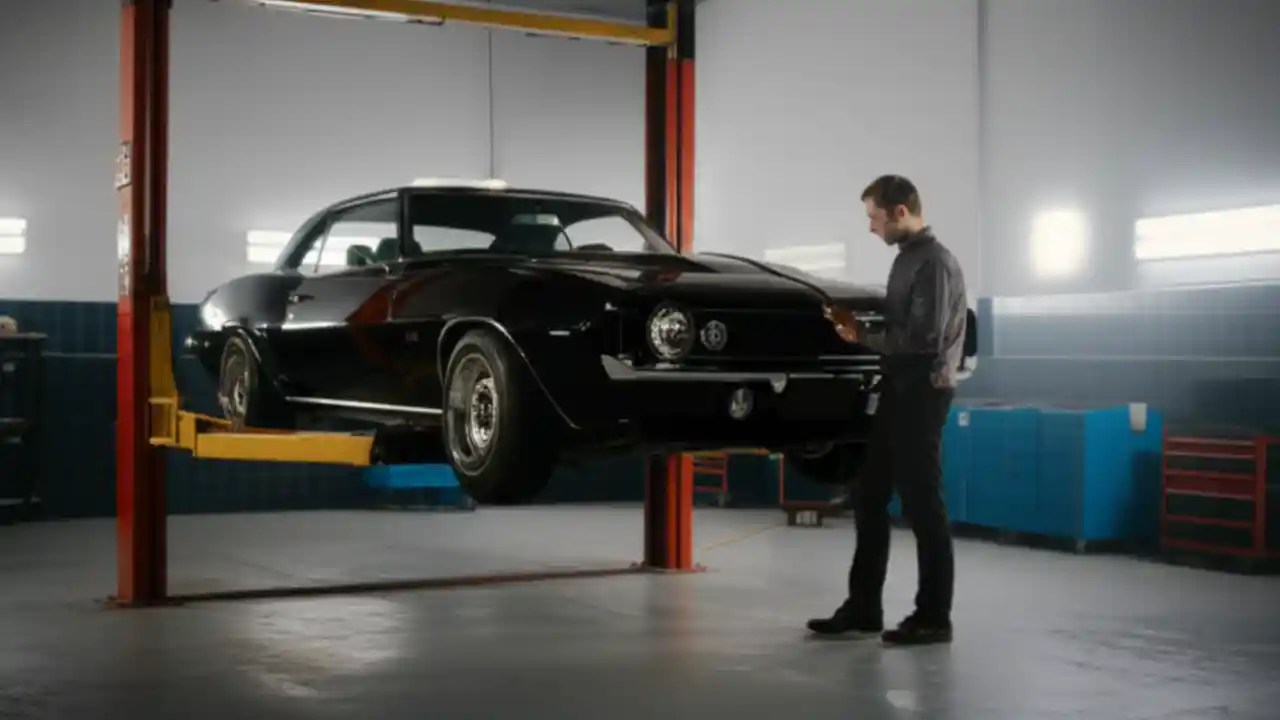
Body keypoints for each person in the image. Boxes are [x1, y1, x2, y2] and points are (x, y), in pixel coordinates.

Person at [809, 174, 968, 645]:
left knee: (923, 505)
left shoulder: (934, 264)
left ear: (901, 212)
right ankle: (863, 607)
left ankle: (934, 616)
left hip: (924, 390)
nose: (871, 228)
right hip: (898, 389)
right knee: (869, 492)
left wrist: (859, 335)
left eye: (875, 218)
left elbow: (923, 340)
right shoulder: (905, 262)